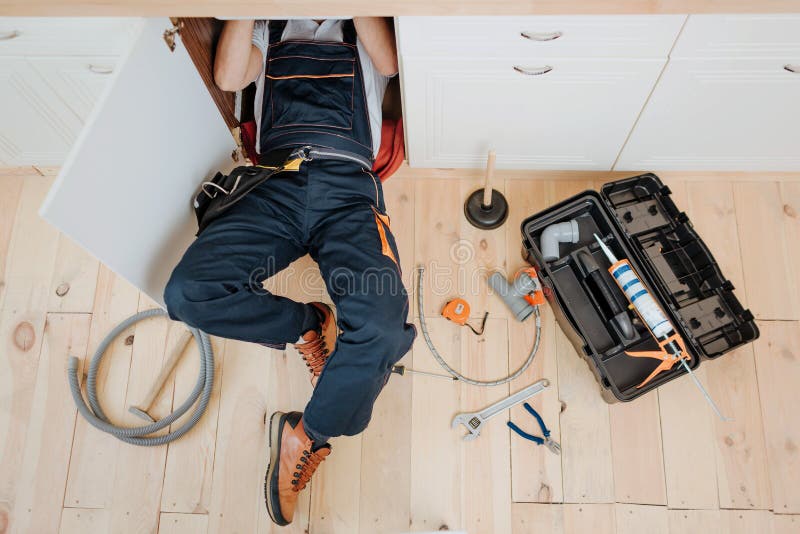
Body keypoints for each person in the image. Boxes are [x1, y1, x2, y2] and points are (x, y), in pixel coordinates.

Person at [163, 18, 416, 527]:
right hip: (275, 184)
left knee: (384, 326)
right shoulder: (267, 26)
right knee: (189, 294)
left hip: (349, 190)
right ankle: (303, 322)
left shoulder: (363, 25)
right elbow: (233, 78)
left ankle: (306, 435)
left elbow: (389, 63)